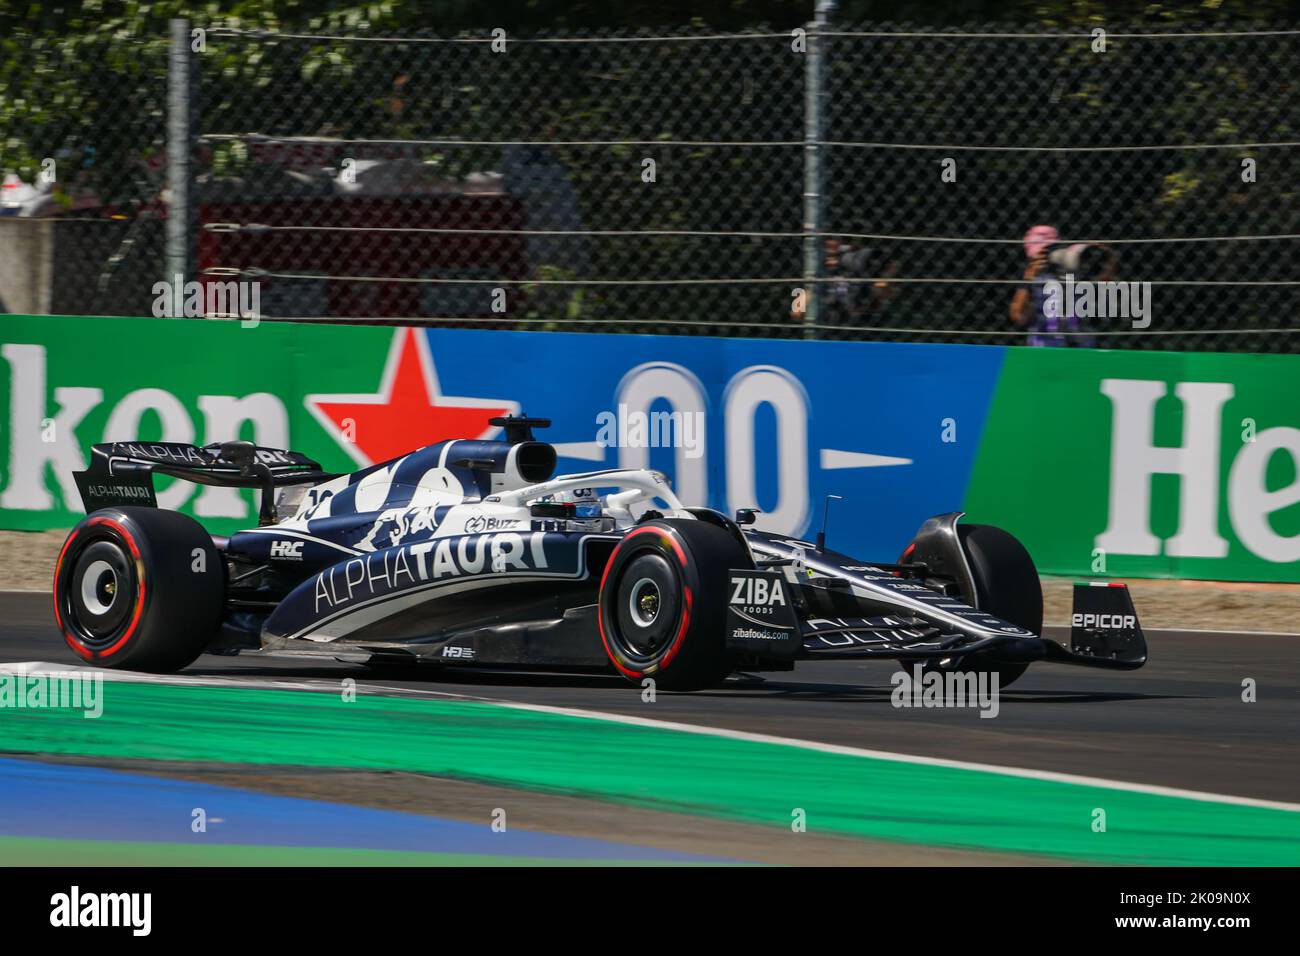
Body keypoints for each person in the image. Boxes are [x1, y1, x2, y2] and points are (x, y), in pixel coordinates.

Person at [1009, 224, 1101, 348]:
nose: (1045, 257)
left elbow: (1103, 282)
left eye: (1049, 251)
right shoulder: (1030, 277)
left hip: (1079, 345)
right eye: (1040, 253)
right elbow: (1019, 316)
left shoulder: (1073, 267)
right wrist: (1028, 279)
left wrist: (1105, 254)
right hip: (1044, 345)